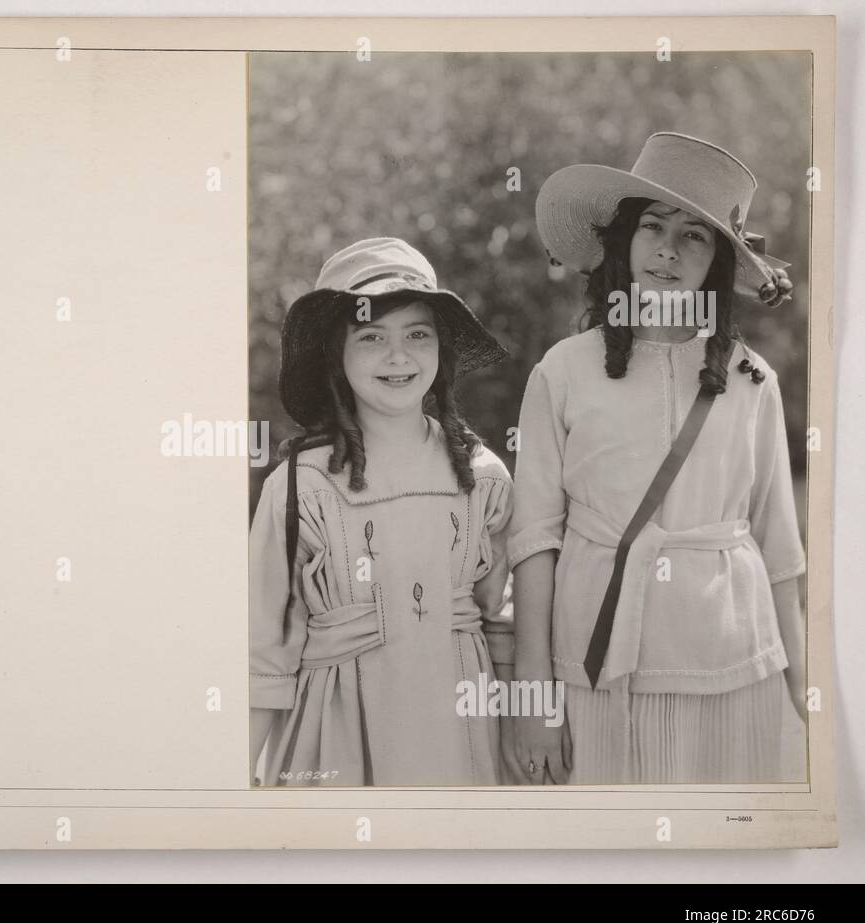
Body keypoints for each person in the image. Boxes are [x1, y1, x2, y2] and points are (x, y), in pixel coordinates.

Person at [509, 132, 803, 785]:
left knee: (720, 866)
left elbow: (781, 553)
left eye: (695, 234)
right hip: (597, 658)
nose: (669, 249)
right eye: (653, 226)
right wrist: (534, 699)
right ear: (623, 241)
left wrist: (807, 699)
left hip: (730, 660)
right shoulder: (563, 371)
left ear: (719, 263)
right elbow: (533, 541)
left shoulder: (752, 379)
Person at [249, 237, 514, 786]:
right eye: (371, 337)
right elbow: (264, 648)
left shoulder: (483, 475)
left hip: (463, 731)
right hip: (338, 729)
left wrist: (519, 744)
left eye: (418, 334)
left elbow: (505, 621)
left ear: (442, 350)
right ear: (336, 356)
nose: (399, 357)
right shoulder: (301, 485)